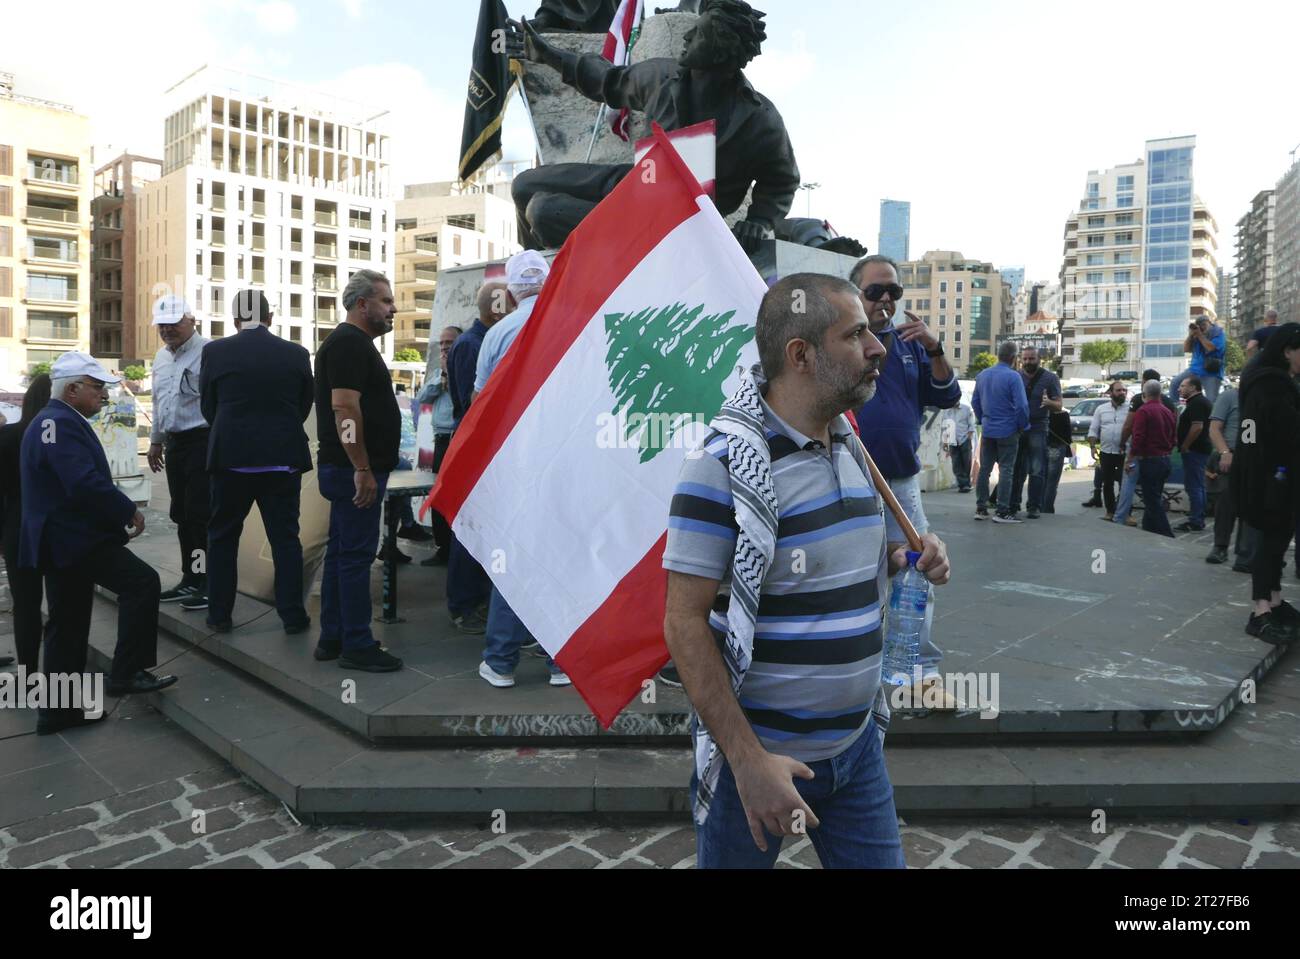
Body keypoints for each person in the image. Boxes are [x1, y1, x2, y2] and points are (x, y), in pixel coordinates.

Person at [663, 273, 951, 869]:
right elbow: (683, 624)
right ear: (801, 355)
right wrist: (747, 763)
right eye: (857, 334)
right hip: (759, 761)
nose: (879, 347)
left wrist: (907, 560)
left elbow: (844, 566)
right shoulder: (721, 469)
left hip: (857, 750)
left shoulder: (852, 446)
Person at [507, 0, 798, 253]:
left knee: (543, 211)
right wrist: (546, 54)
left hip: (681, 220)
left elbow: (781, 180)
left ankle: (546, 282)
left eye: (698, 34)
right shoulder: (662, 77)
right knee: (523, 186)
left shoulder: (760, 119)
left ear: (720, 52)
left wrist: (760, 221)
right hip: (639, 181)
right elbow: (605, 79)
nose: (687, 35)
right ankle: (531, 269)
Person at [20, 353, 176, 735]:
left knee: (66, 623)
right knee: (141, 583)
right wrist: (127, 509)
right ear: (72, 389)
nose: (102, 396)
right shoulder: (59, 422)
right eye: (96, 388)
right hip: (75, 540)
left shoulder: (51, 421)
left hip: (61, 541)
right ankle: (126, 672)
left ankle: (58, 711)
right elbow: (82, 482)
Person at [850, 255, 960, 701]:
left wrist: (934, 347)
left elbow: (948, 394)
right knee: (857, 573)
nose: (886, 300)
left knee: (919, 569)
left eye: (893, 291)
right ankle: (860, 669)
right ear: (856, 293)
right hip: (851, 478)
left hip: (901, 480)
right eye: (875, 291)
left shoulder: (911, 342)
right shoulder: (845, 339)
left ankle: (918, 673)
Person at [475, 252, 571, 689]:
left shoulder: (497, 334)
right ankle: (559, 662)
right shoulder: (571, 327)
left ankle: (500, 662)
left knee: (509, 561)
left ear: (510, 293)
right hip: (563, 461)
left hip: (512, 463)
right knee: (557, 559)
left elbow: (480, 406)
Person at [200, 291, 314, 635]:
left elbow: (209, 405)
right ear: (271, 316)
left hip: (231, 461)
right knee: (285, 539)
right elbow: (303, 405)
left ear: (234, 320)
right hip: (282, 462)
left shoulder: (215, 351)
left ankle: (219, 615)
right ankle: (293, 615)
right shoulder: (296, 353)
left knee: (222, 538)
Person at [313, 270, 404, 673]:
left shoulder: (349, 343)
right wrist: (362, 466)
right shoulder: (350, 344)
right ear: (362, 304)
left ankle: (333, 637)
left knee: (341, 554)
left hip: (346, 467)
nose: (393, 309)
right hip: (353, 470)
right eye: (386, 301)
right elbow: (344, 407)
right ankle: (357, 642)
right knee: (354, 556)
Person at [443, 281, 509, 633]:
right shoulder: (474, 345)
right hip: (474, 448)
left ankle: (471, 602)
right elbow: (474, 406)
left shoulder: (476, 341)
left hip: (474, 446)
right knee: (470, 527)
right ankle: (465, 605)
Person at [1232, 323, 1300, 645]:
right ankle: (1260, 611)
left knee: (1278, 540)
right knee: (1270, 542)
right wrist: (1254, 462)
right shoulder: (1269, 385)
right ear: (1287, 351)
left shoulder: (1281, 383)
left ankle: (1273, 600)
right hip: (1271, 476)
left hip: (1278, 474)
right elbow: (1252, 427)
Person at [146, 296, 212, 611]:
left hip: (203, 439)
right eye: (163, 324)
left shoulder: (210, 353)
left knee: (201, 513)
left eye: (174, 322)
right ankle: (191, 577)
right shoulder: (161, 358)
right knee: (181, 514)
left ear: (192, 321)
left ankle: (207, 581)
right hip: (175, 443)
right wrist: (156, 441)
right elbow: (160, 402)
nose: (168, 329)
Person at [0, 374, 52, 672]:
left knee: (26, 605)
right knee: (62, 603)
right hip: (55, 528)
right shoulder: (57, 437)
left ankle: (28, 670)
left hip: (17, 527)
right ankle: (60, 671)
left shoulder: (7, 437)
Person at [416, 325, 461, 568]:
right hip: (440, 438)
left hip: (455, 436)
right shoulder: (438, 372)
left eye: (449, 343)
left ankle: (454, 548)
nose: (444, 348)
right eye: (442, 343)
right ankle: (442, 546)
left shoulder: (464, 368)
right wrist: (442, 376)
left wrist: (451, 374)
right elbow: (423, 397)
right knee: (437, 493)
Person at [972, 342, 1030, 523]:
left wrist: (983, 419)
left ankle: (981, 508)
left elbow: (975, 401)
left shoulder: (982, 375)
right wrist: (1022, 425)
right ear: (1014, 358)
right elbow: (1021, 406)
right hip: (1008, 429)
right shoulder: (1013, 377)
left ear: (998, 355)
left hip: (989, 429)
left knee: (985, 470)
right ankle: (1002, 511)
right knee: (1006, 470)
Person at [1112, 370, 1177, 529]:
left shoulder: (1141, 406)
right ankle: (1149, 524)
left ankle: (1120, 517)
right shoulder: (1168, 405)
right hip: (1162, 456)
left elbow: (1132, 428)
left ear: (1144, 386)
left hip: (1141, 453)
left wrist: (1125, 448)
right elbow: (1174, 430)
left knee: (1130, 484)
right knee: (1154, 493)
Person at [1008, 348, 1063, 520]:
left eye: (1032, 358)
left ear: (1039, 359)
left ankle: (1034, 506)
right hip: (1017, 427)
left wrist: (1049, 402)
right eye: (1025, 358)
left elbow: (1059, 405)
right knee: (1016, 468)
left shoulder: (1050, 378)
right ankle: (1013, 505)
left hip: (1039, 427)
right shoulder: (1015, 376)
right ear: (1020, 359)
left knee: (1037, 469)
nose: (1028, 361)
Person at [1205, 384, 1256, 569]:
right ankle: (1220, 547)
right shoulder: (1229, 397)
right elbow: (1214, 428)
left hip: (1254, 458)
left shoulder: (1259, 398)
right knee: (1225, 503)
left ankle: (1245, 554)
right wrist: (1225, 452)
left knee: (1250, 507)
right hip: (1231, 455)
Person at [1128, 379, 1177, 538]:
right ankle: (1149, 530)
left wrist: (1129, 459)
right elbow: (1173, 437)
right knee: (1154, 495)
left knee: (1152, 499)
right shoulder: (1167, 411)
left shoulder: (1144, 411)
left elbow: (1138, 437)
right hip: (1165, 459)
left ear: (1144, 394)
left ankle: (1166, 532)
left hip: (1150, 460)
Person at [1174, 375, 1213, 533]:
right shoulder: (1199, 402)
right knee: (1199, 485)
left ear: (1193, 388)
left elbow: (1197, 427)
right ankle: (1198, 517)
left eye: (1183, 386)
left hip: (1195, 450)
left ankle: (1196, 520)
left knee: (1194, 486)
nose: (1179, 389)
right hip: (1199, 450)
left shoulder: (1197, 403)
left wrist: (1185, 445)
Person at [1087, 381, 1129, 521]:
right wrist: (1093, 447)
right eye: (1118, 390)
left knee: (1125, 483)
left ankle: (1125, 514)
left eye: (1124, 390)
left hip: (1125, 452)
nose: (1122, 392)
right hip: (1106, 452)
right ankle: (1110, 512)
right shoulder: (1101, 409)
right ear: (1111, 393)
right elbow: (1093, 429)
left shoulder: (1131, 408)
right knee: (1108, 483)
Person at [1170, 314, 1226, 406]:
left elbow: (1210, 348)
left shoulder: (1218, 333)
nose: (1202, 327)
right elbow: (1186, 349)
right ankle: (1175, 408)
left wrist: (1200, 335)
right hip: (1194, 370)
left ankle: (1211, 419)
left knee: (1211, 400)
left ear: (1210, 323)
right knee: (1175, 383)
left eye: (1204, 324)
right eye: (1200, 326)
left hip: (1211, 372)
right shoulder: (1197, 334)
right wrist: (1190, 335)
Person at [1042, 405, 1072, 514]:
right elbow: (1068, 436)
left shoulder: (1040, 414)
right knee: (1052, 482)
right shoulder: (1063, 415)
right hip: (1058, 448)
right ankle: (1047, 508)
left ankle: (1037, 505)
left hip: (1043, 446)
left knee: (1041, 478)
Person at [943, 402, 975, 494]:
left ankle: (966, 483)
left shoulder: (966, 409)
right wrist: (945, 442)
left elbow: (971, 424)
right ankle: (963, 485)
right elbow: (946, 427)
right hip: (952, 440)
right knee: (956, 463)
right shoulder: (946, 411)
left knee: (966, 462)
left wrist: (970, 435)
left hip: (964, 438)